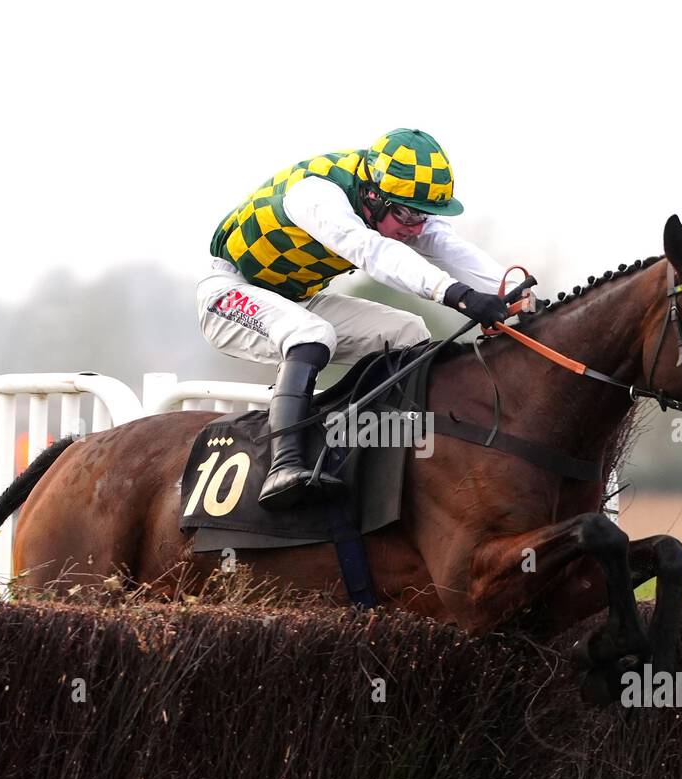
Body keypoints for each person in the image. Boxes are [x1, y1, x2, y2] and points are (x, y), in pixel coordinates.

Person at [197, 128, 520, 509]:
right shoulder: (316, 195)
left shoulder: (387, 200)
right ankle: (283, 466)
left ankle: (388, 449)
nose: (415, 228)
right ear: (372, 195)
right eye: (406, 214)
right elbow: (373, 252)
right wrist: (458, 295)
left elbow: (444, 244)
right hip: (228, 295)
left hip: (299, 299)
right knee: (311, 334)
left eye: (423, 216)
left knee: (408, 333)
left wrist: (514, 289)